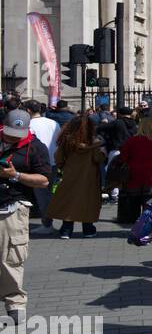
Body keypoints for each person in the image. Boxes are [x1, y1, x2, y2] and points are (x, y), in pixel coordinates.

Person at [0, 109, 52, 322]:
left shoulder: (35, 147)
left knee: (11, 258)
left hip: (14, 206)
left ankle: (15, 302)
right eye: (10, 133)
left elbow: (44, 180)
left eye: (18, 134)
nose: (13, 138)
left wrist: (16, 175)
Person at [47, 114, 105, 238]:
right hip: (89, 177)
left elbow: (59, 158)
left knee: (69, 201)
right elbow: (97, 158)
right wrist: (103, 153)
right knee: (88, 201)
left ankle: (66, 230)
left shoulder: (67, 141)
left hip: (70, 175)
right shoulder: (94, 142)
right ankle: (88, 229)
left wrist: (63, 168)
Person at [116, 115, 152, 226]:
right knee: (149, 206)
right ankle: (146, 229)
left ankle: (135, 228)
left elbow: (122, 158)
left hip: (133, 177)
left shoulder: (132, 141)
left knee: (133, 206)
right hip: (151, 178)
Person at [25, 102, 59, 234]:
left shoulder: (29, 125)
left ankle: (47, 224)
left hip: (37, 163)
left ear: (28, 110)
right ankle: (48, 221)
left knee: (42, 195)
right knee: (47, 192)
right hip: (53, 161)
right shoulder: (53, 123)